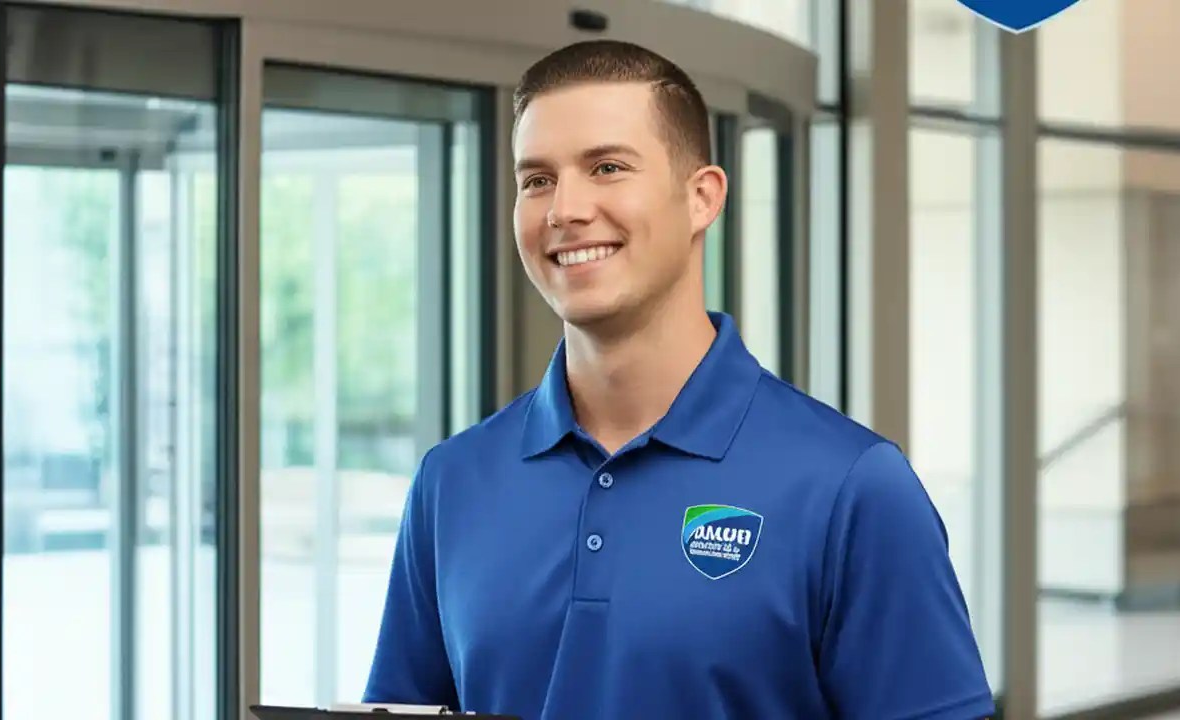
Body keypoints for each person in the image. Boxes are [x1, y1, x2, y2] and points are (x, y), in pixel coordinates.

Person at [363, 39, 994, 720]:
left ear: (702, 198)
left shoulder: (854, 488)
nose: (563, 209)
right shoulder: (453, 481)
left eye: (606, 167)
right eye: (536, 179)